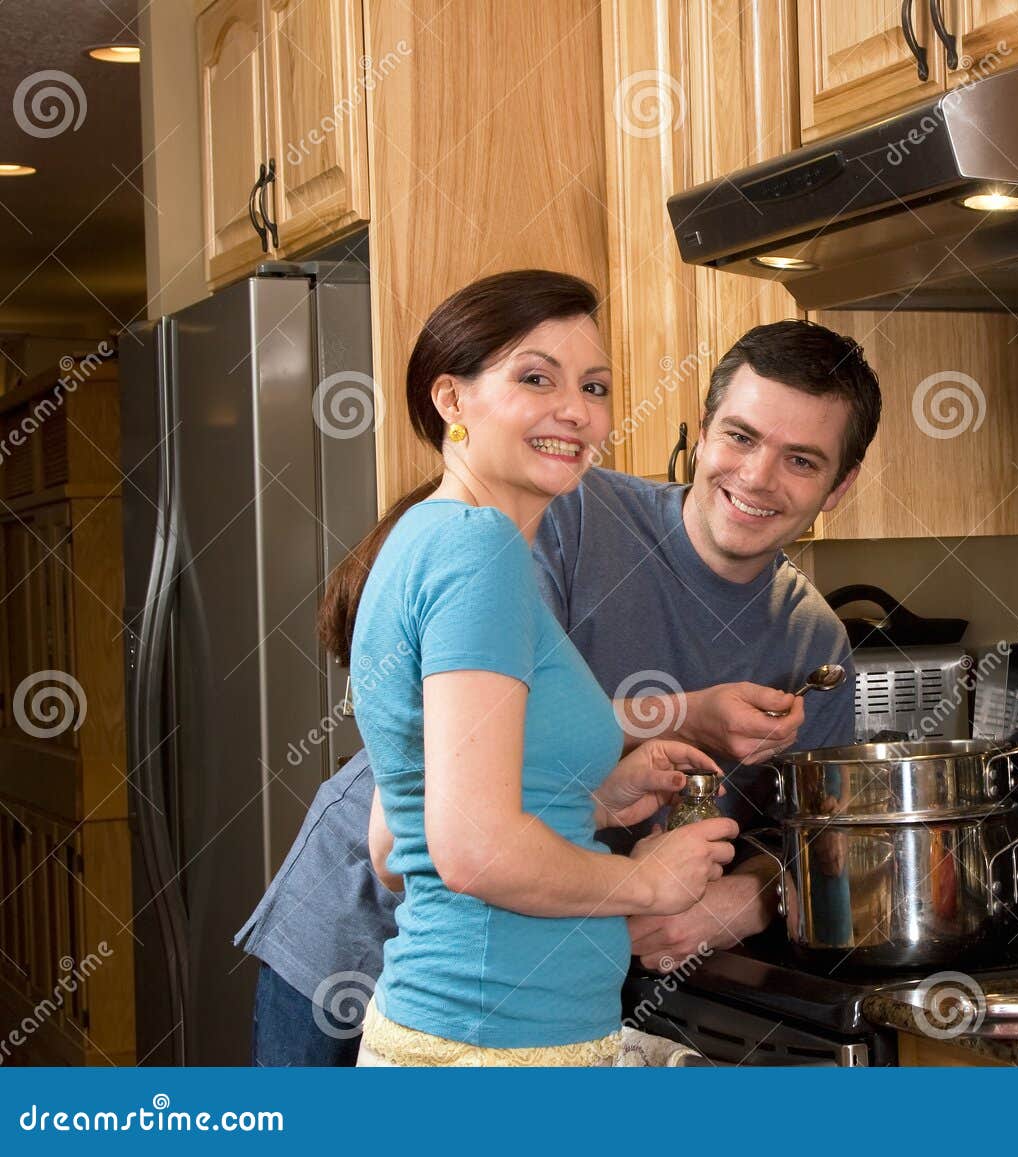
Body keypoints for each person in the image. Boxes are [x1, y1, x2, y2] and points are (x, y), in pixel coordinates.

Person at [235, 313, 883, 1064]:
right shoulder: (559, 516)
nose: (758, 476)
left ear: (841, 485)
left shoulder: (814, 643)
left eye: (802, 459)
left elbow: (818, 839)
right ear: (699, 434)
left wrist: (747, 897)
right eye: (740, 437)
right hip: (365, 935)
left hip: (548, 975)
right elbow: (476, 743)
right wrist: (684, 724)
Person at [309, 268, 741, 1065]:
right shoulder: (481, 553)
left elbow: (392, 845)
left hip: (451, 1040)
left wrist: (593, 800)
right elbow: (472, 850)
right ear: (452, 400)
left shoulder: (421, 539)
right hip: (495, 1053)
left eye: (596, 385)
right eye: (535, 377)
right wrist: (649, 883)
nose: (576, 411)